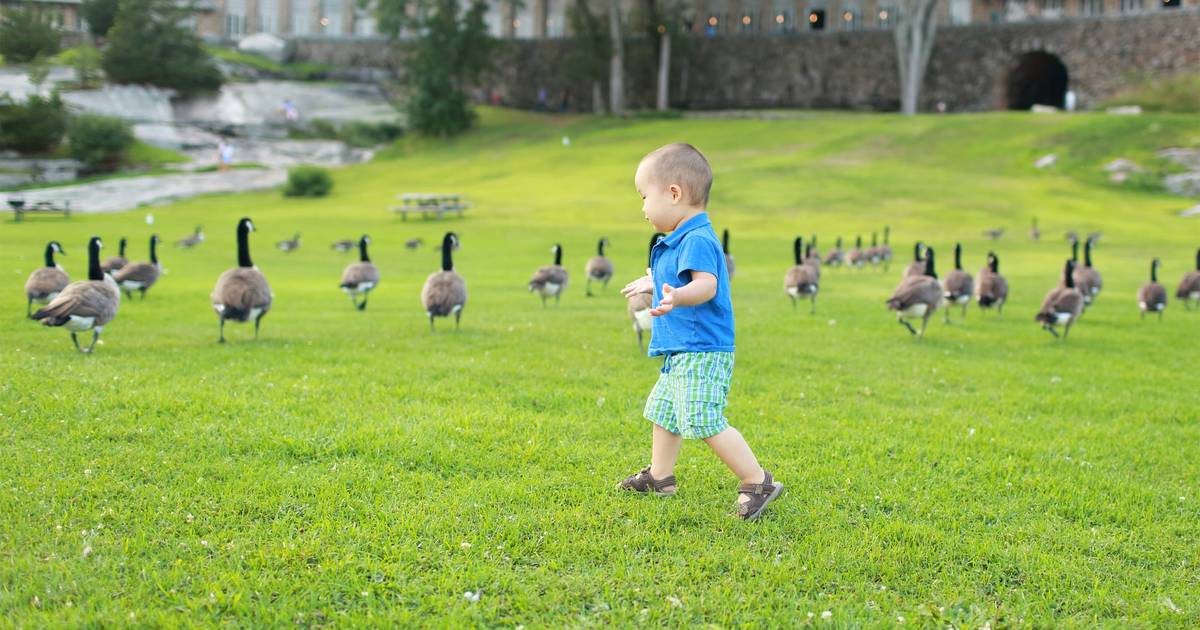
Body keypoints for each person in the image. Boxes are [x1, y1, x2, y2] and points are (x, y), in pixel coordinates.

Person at [617, 143, 784, 521]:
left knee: (702, 417)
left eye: (644, 197)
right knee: (663, 412)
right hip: (682, 350)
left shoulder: (697, 239)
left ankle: (757, 481)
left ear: (674, 193)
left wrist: (678, 295)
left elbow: (706, 285)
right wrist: (653, 282)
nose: (643, 208)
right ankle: (660, 477)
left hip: (702, 349)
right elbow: (676, 276)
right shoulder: (680, 238)